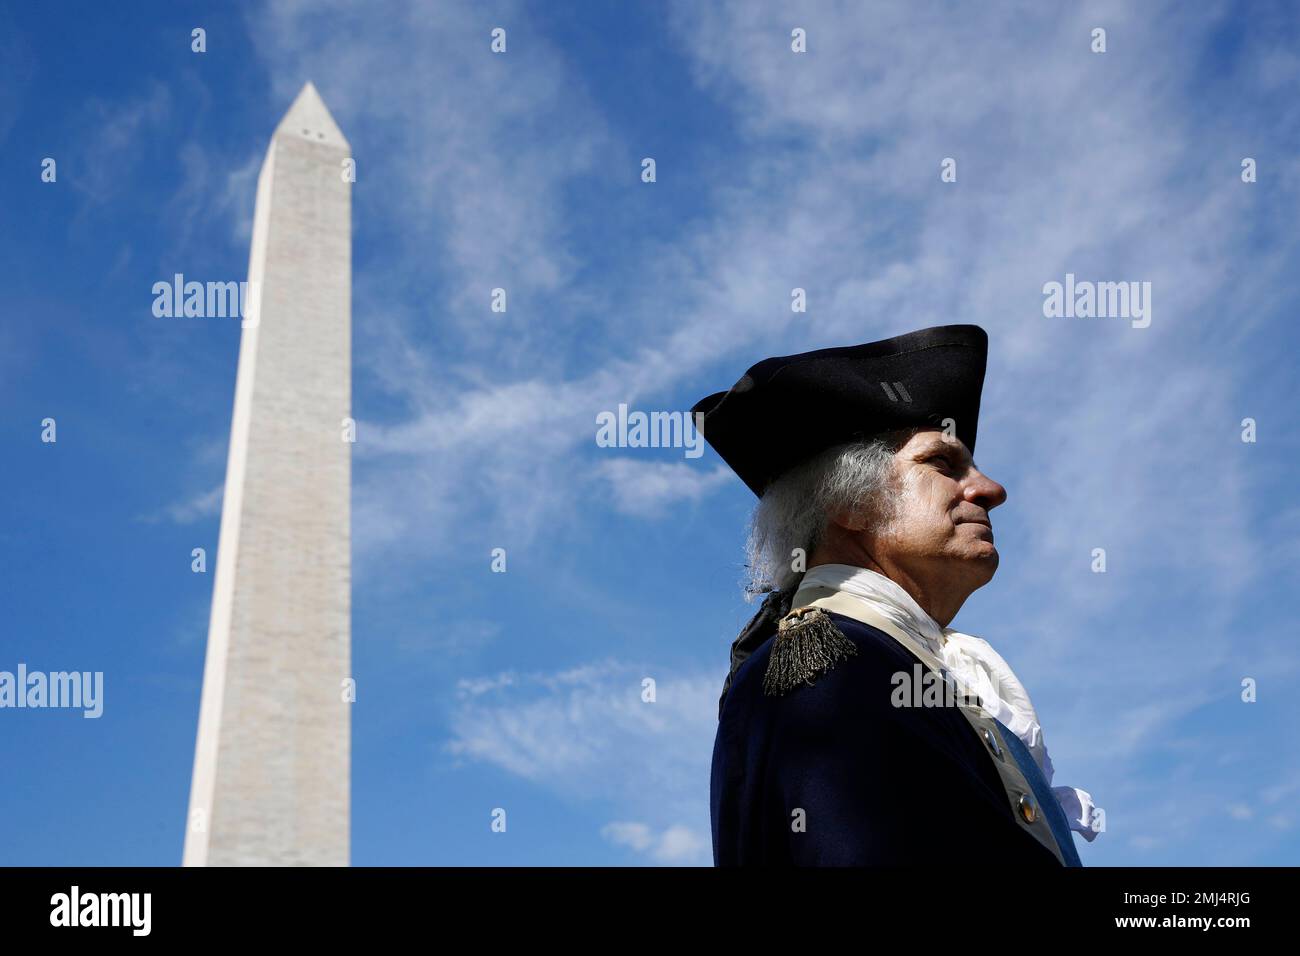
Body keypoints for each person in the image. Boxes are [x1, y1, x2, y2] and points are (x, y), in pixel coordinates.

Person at [694, 324, 1100, 866]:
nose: (990, 490)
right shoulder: (829, 665)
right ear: (850, 502)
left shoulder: (882, 661)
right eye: (943, 464)